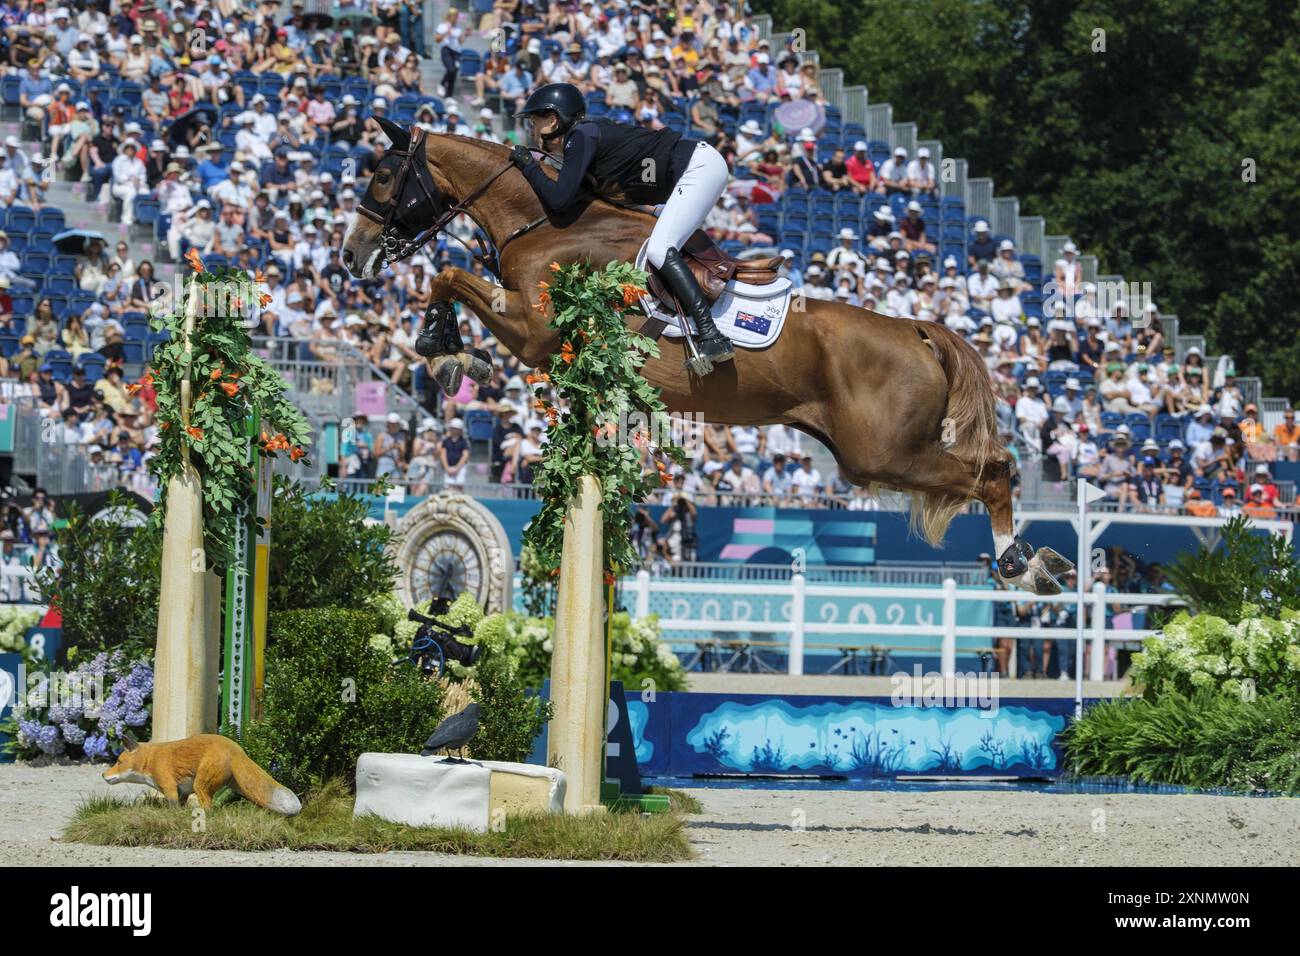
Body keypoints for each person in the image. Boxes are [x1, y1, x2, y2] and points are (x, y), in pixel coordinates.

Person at [509, 82, 735, 367]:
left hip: (698, 168)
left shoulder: (580, 135)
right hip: (684, 175)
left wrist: (528, 165)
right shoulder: (581, 139)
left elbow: (558, 199)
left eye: (534, 120)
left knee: (660, 249)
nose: (531, 127)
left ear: (553, 119)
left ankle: (711, 334)